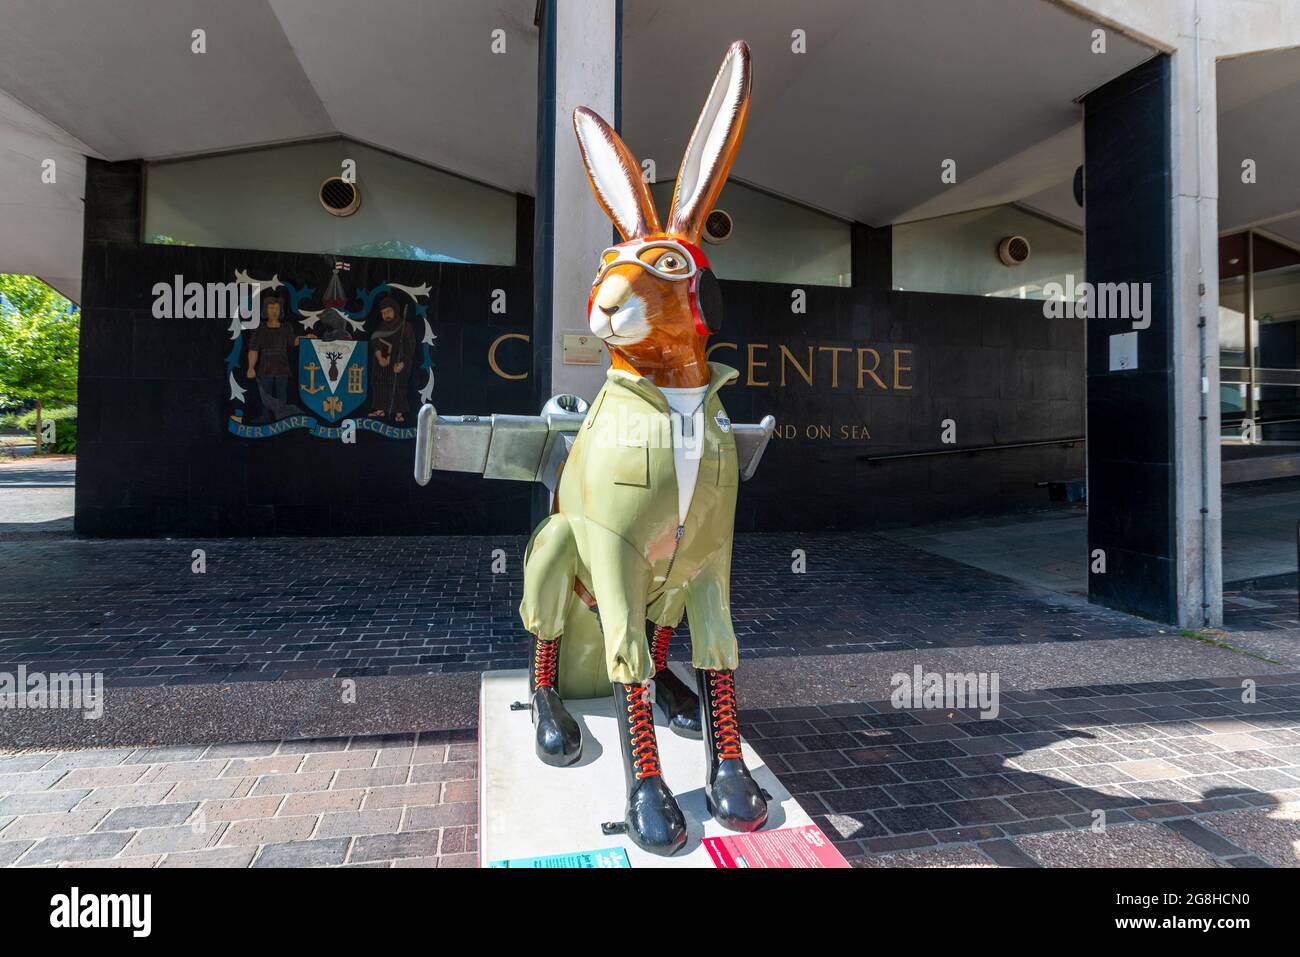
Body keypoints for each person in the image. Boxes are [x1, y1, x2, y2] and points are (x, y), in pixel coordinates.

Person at [246, 292, 304, 423]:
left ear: (280, 310)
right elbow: (253, 349)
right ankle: (265, 417)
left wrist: (306, 338)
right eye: (271, 308)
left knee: (281, 392)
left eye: (277, 308)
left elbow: (293, 342)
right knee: (265, 393)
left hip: (282, 365)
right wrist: (250, 367)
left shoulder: (286, 327)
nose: (274, 311)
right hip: (265, 364)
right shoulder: (260, 328)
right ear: (266, 310)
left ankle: (281, 417)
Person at [368, 295, 416, 423]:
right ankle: (380, 409)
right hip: (383, 363)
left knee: (398, 386)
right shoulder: (381, 327)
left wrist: (402, 363)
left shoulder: (405, 326)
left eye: (388, 311)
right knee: (380, 385)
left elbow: (410, 347)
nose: (386, 315)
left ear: (395, 310)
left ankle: (399, 414)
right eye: (383, 313)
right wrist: (380, 357)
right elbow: (377, 342)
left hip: (398, 362)